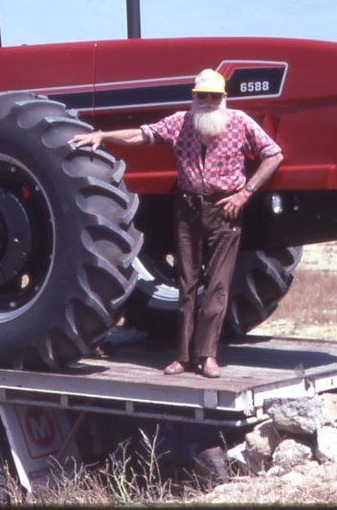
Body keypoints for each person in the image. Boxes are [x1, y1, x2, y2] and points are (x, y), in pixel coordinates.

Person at [70, 69, 283, 379]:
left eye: (214, 96)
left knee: (218, 286)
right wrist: (103, 136)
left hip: (225, 210)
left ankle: (207, 356)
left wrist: (246, 193)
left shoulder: (239, 122)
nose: (208, 101)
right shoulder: (180, 122)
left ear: (224, 98)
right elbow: (141, 135)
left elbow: (273, 154)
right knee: (187, 285)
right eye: (202, 96)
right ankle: (182, 357)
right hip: (187, 209)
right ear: (193, 97)